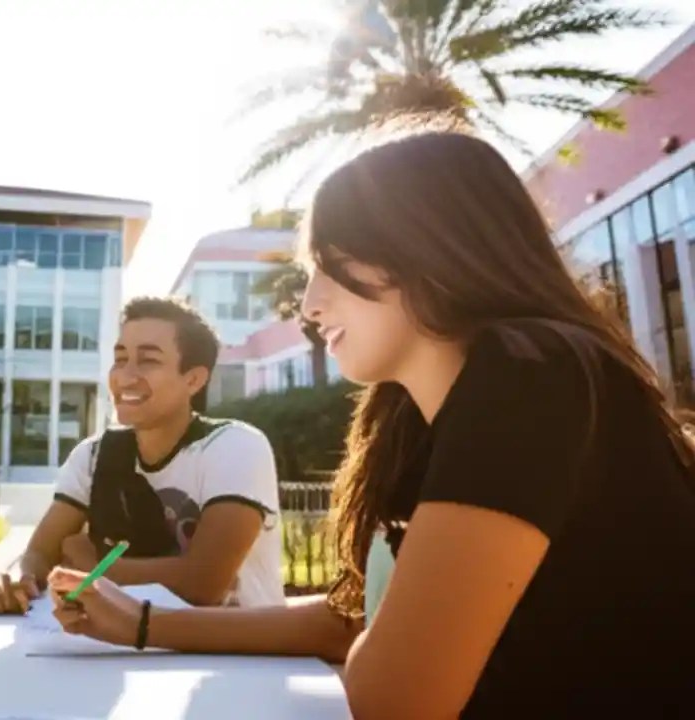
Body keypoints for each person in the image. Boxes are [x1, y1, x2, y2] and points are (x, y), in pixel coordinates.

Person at [45, 127, 695, 718]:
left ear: (424, 245)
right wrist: (140, 622)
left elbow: (394, 696)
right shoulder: (415, 418)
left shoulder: (529, 371)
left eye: (330, 264)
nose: (310, 303)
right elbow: (349, 619)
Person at [0, 296, 283, 614]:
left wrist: (92, 567)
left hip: (241, 655)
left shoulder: (234, 446)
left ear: (193, 379)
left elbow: (202, 584)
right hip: (129, 647)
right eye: (120, 359)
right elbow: (40, 554)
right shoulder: (94, 456)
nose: (124, 376)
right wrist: (15, 581)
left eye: (148, 361)